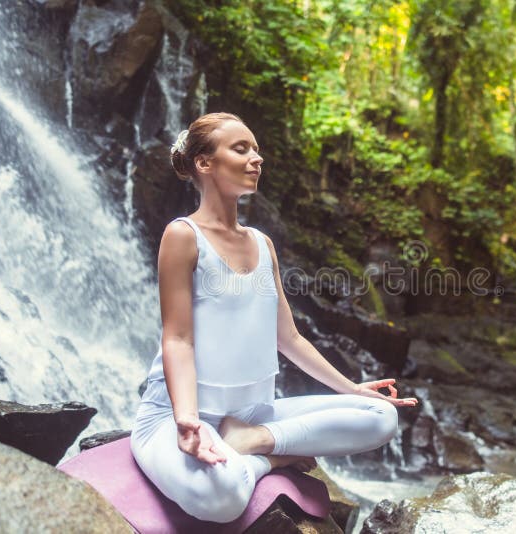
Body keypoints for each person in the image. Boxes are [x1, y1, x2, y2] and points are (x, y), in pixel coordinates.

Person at [130, 112, 418, 524]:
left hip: (255, 416)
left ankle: (257, 442)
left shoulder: (263, 244)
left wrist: (352, 388)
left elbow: (289, 338)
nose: (257, 158)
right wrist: (187, 420)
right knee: (222, 501)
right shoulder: (183, 236)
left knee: (381, 417)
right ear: (204, 163)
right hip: (180, 416)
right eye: (241, 148)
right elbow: (177, 340)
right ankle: (273, 460)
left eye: (257, 149)